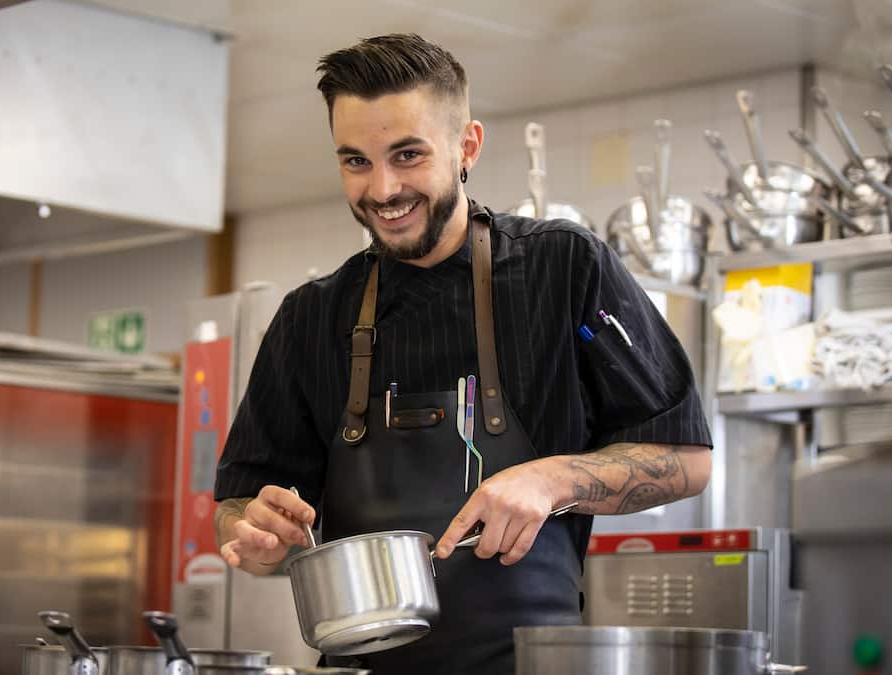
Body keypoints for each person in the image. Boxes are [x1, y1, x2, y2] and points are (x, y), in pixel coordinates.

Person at [213, 33, 712, 674]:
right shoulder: (309, 317)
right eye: (356, 162)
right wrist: (252, 534)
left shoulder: (562, 269)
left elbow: (688, 461)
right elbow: (235, 515)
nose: (383, 188)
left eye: (408, 155)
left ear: (466, 146)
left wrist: (552, 479)